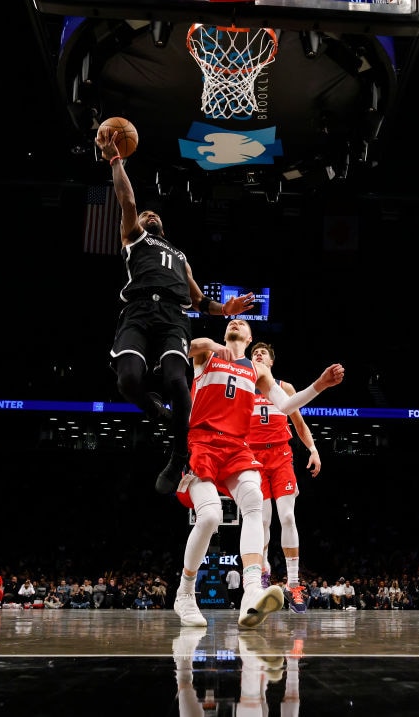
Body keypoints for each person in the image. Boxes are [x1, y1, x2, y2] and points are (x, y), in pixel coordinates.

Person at [94, 126, 255, 495]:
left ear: (163, 227)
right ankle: (157, 412)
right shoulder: (134, 237)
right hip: (137, 310)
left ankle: (179, 452)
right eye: (145, 214)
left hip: (173, 317)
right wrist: (116, 160)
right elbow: (128, 202)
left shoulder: (180, 257)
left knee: (177, 382)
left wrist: (224, 308)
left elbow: (198, 301)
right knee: (127, 381)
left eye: (154, 214)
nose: (149, 214)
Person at [171, 319, 344, 628]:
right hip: (202, 444)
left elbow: (287, 405)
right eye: (232, 321)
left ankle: (252, 590)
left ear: (249, 338)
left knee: (254, 503)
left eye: (243, 323)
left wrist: (319, 384)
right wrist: (213, 344)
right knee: (210, 517)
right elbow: (179, 350)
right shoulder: (207, 354)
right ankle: (185, 593)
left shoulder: (256, 370)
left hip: (238, 448)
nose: (237, 322)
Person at [248, 341, 321, 614]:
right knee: (262, 520)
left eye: (263, 353)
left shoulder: (284, 387)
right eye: (254, 353)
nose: (258, 355)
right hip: (253, 457)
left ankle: (293, 584)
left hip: (280, 456)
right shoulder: (243, 385)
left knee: (288, 517)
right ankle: (263, 573)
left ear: (271, 362)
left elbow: (299, 424)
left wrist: (313, 450)